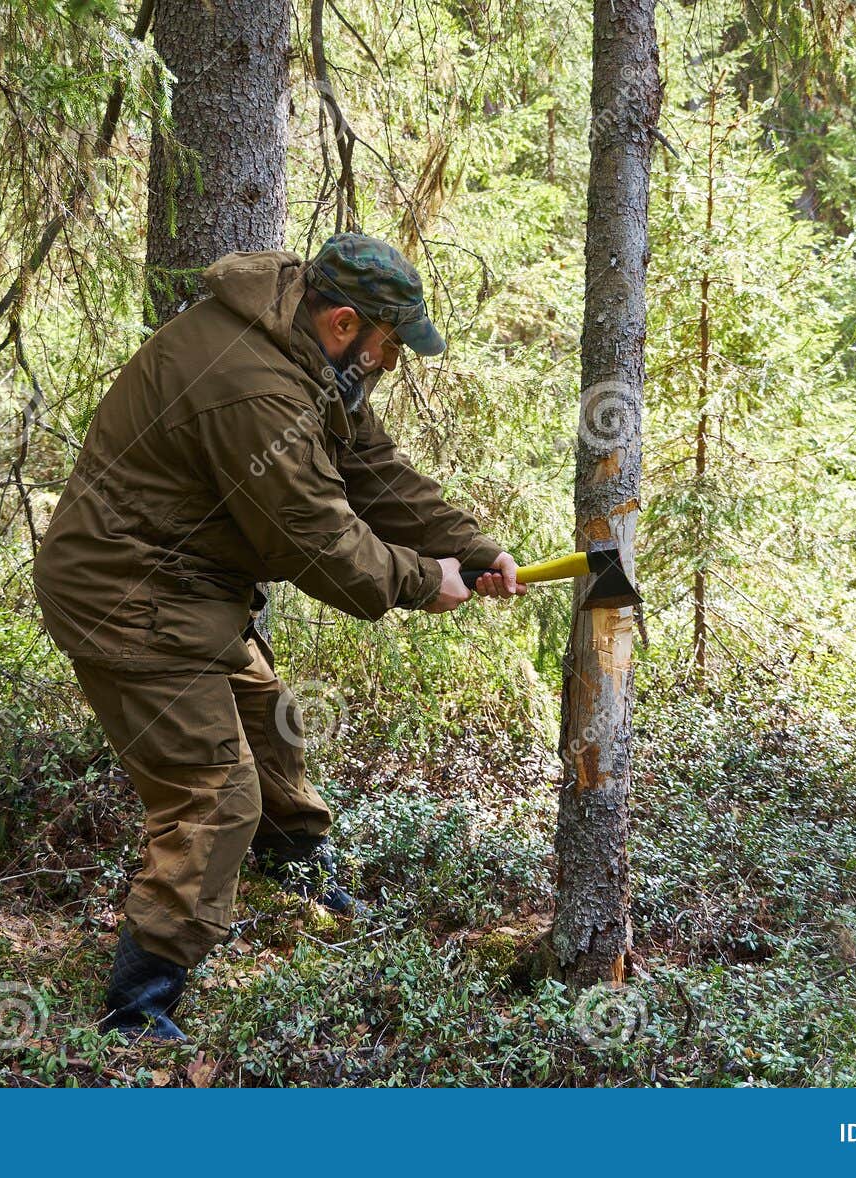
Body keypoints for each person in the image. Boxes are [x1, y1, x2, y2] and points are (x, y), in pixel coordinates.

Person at [33, 233, 526, 1040]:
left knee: (271, 721)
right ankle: (140, 1002)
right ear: (342, 324)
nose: (390, 363)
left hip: (191, 592)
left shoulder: (301, 355)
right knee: (213, 794)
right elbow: (314, 539)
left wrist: (470, 548)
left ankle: (296, 872)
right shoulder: (254, 388)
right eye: (389, 345)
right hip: (127, 596)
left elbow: (371, 471)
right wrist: (416, 579)